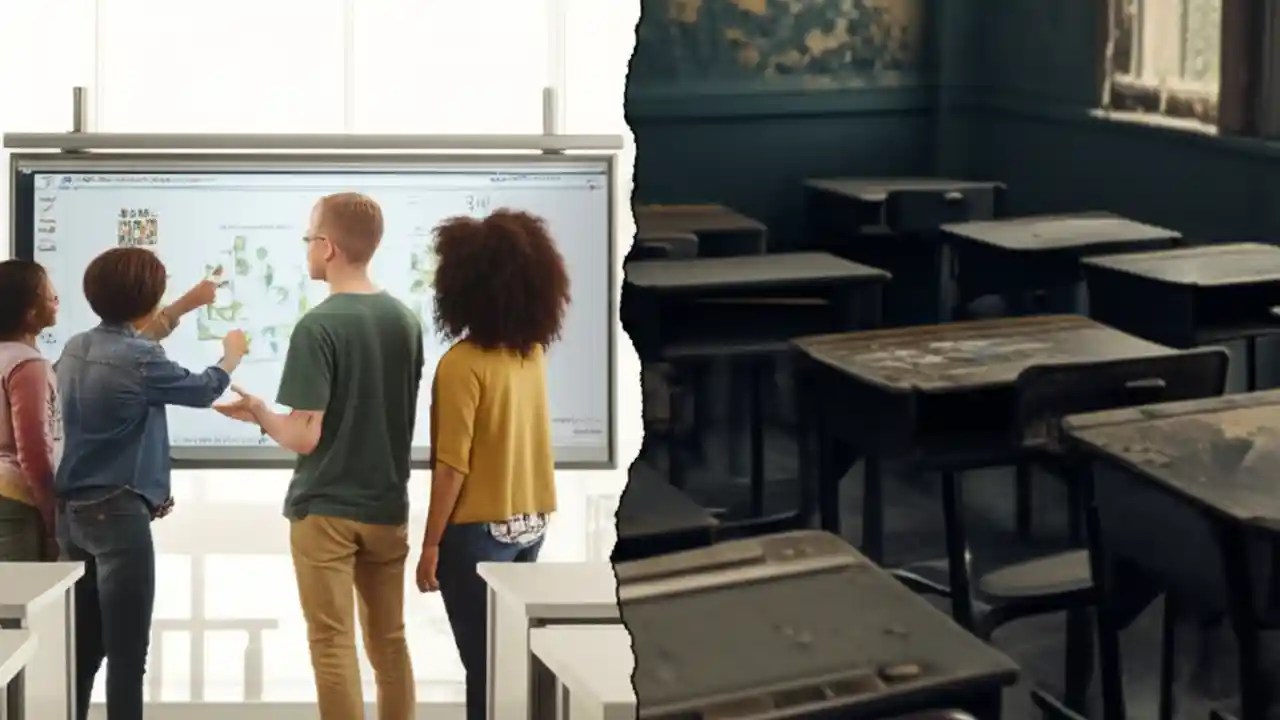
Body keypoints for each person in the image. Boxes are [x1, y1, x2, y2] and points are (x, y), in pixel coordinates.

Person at [217, 193, 421, 720]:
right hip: (386, 507)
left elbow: (306, 436)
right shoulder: (405, 319)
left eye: (309, 237)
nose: (306, 248)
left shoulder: (319, 326)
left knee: (332, 646)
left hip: (327, 509)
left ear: (328, 247)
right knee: (390, 644)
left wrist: (261, 413)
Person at [56, 248, 245, 720]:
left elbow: (140, 335)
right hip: (119, 514)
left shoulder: (77, 345)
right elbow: (203, 388)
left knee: (84, 649)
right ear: (149, 295)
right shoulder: (140, 360)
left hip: (73, 515)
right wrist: (232, 355)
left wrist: (187, 304)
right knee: (127, 654)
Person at [416, 209, 569, 720]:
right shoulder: (530, 355)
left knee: (484, 670)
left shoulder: (461, 365)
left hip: (476, 532)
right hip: (530, 525)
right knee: (510, 666)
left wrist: (431, 543)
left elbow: (451, 467)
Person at [0, 258, 221, 564]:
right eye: (47, 293)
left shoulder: (76, 347)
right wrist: (53, 521)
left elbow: (123, 355)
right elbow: (34, 453)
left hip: (64, 504)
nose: (56, 298)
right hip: (28, 501)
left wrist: (183, 306)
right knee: (23, 604)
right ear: (28, 312)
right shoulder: (29, 365)